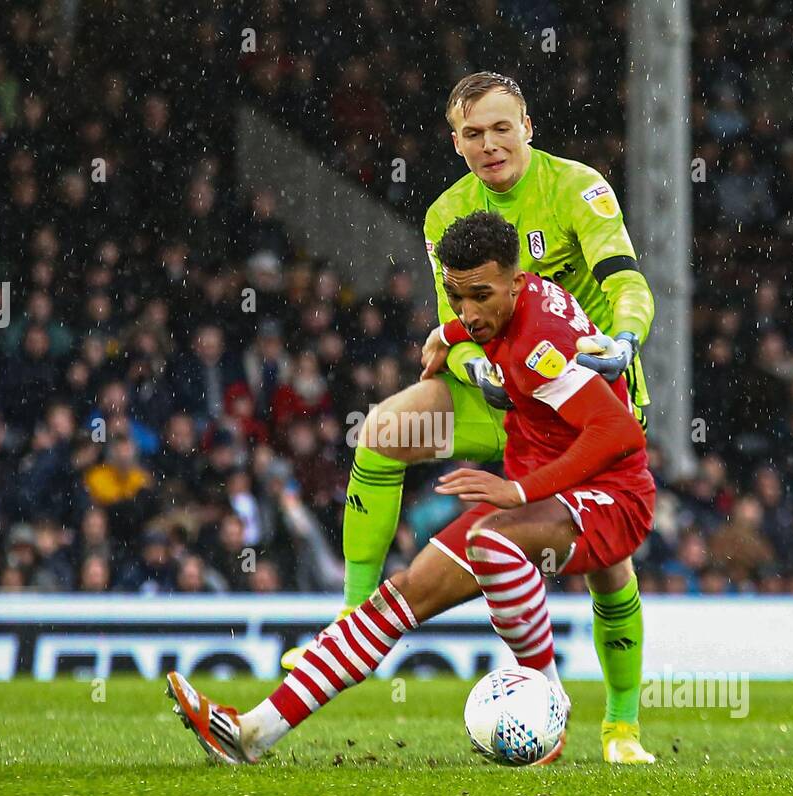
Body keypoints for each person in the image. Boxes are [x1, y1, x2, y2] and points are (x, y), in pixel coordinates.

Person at [167, 212, 655, 765]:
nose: (469, 313)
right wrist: (446, 332)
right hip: (542, 496)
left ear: (517, 283)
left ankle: (551, 702)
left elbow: (618, 432)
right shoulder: (509, 304)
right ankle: (252, 733)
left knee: (492, 541)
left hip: (611, 497)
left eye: (480, 297)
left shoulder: (540, 343)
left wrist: (519, 493)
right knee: (397, 598)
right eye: (456, 296)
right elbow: (480, 317)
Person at [296, 72, 658, 762]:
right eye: (473, 133)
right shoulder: (445, 216)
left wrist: (627, 342)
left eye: (501, 128)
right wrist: (480, 371)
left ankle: (620, 726)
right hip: (496, 396)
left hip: (582, 399)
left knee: (608, 565)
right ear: (455, 141)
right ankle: (353, 614)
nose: (489, 144)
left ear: (528, 127)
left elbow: (624, 279)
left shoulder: (578, 187)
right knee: (382, 431)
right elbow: (450, 329)